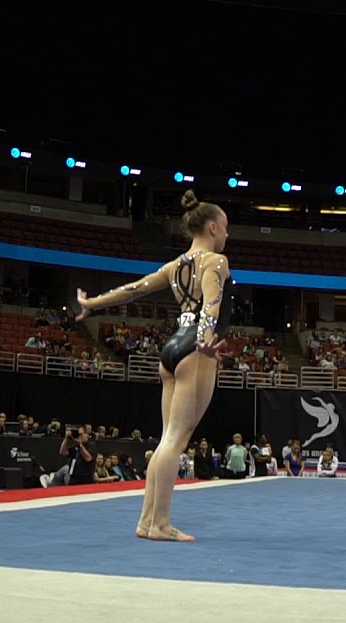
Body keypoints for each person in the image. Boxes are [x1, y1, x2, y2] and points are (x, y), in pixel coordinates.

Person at [75, 189, 232, 542]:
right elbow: (211, 303)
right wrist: (206, 339)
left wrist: (94, 303)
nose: (227, 233)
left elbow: (133, 289)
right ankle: (161, 523)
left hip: (172, 348)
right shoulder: (215, 261)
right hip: (195, 350)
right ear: (211, 227)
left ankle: (147, 520)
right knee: (177, 439)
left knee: (167, 439)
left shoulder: (175, 266)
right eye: (225, 226)